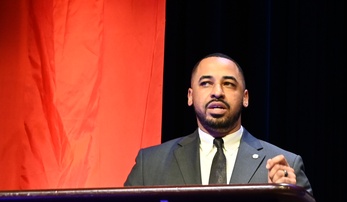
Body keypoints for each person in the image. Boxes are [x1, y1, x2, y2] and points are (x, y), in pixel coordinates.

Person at [124, 53, 311, 193]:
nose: (218, 92)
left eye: (229, 84)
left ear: (245, 98)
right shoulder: (149, 166)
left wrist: (290, 197)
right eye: (206, 83)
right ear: (190, 96)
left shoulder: (284, 166)